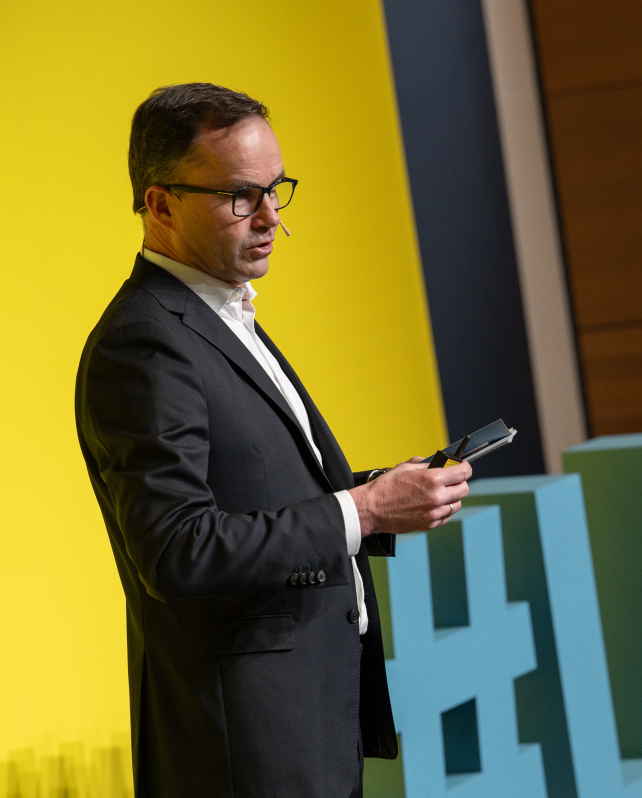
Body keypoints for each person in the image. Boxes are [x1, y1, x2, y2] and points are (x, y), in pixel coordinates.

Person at [74, 82, 473, 798]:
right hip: (246, 748)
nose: (271, 219)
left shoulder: (222, 318)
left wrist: (388, 492)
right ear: (159, 204)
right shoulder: (143, 344)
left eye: (276, 189)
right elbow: (178, 551)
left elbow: (264, 493)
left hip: (309, 721)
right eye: (240, 196)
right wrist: (366, 510)